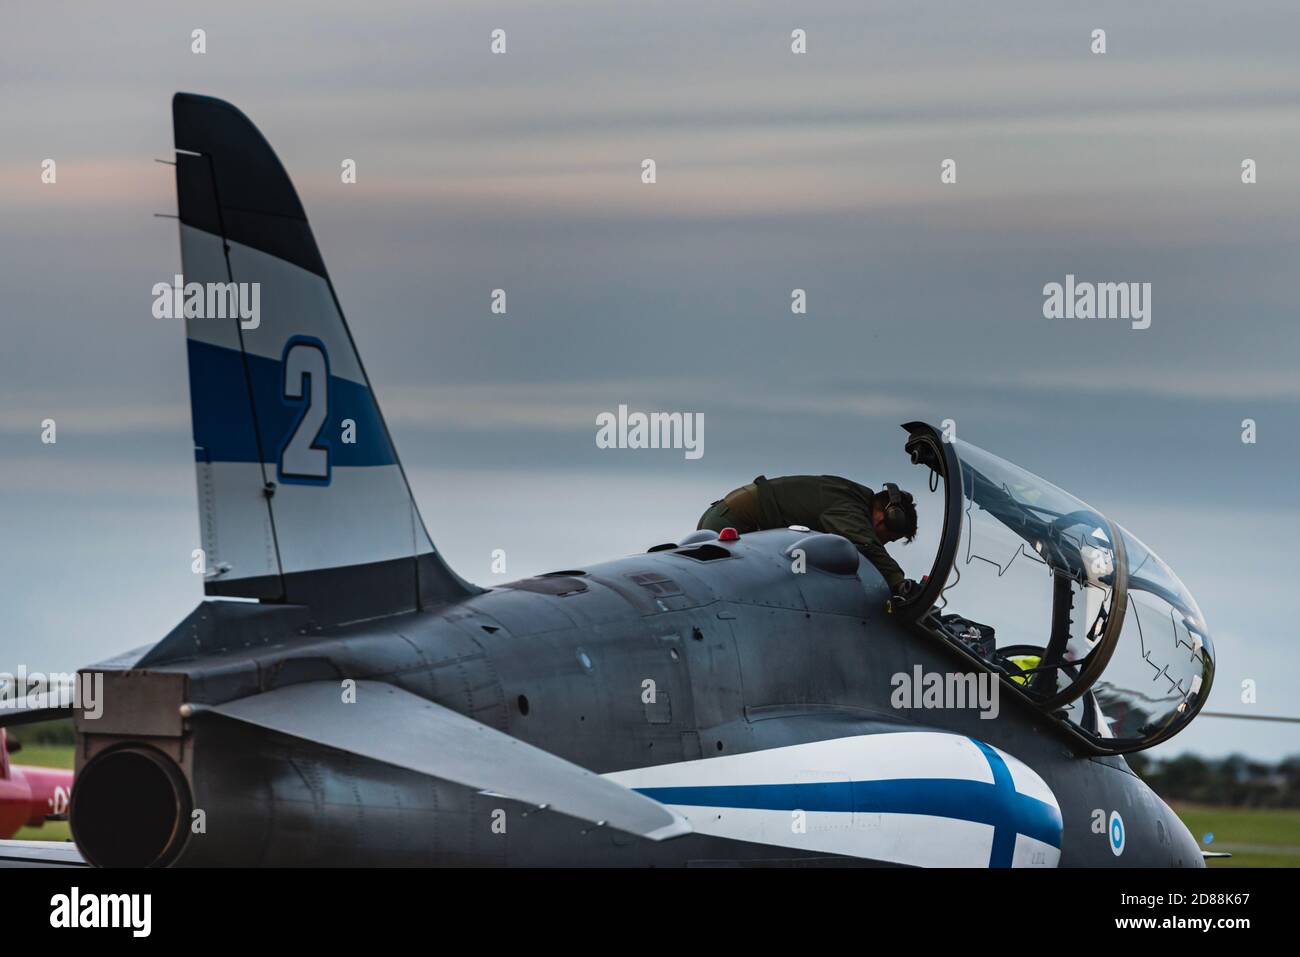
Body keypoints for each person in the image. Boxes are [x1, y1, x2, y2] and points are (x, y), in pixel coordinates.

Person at [696, 475, 919, 595]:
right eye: (887, 538)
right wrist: (898, 582)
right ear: (883, 518)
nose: (883, 543)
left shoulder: (852, 500)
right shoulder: (849, 508)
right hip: (733, 523)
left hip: (732, 520)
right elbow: (866, 544)